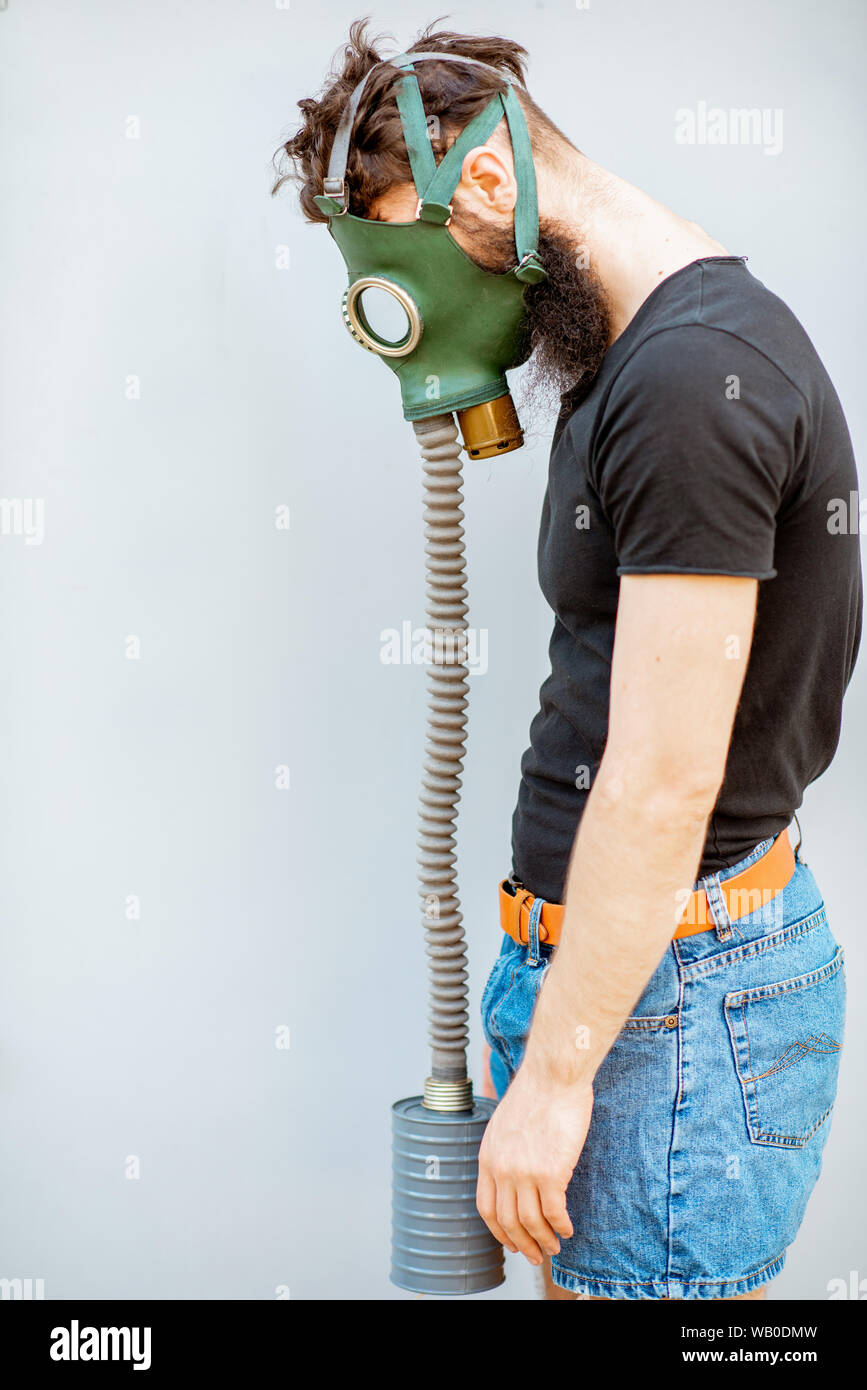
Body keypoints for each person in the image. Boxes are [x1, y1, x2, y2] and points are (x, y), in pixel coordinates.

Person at [278, 21, 862, 1300]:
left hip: (670, 1014)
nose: (418, 324)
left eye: (408, 273)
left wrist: (556, 1075)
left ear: (482, 182)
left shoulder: (691, 378)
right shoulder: (644, 359)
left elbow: (663, 779)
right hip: (623, 994)